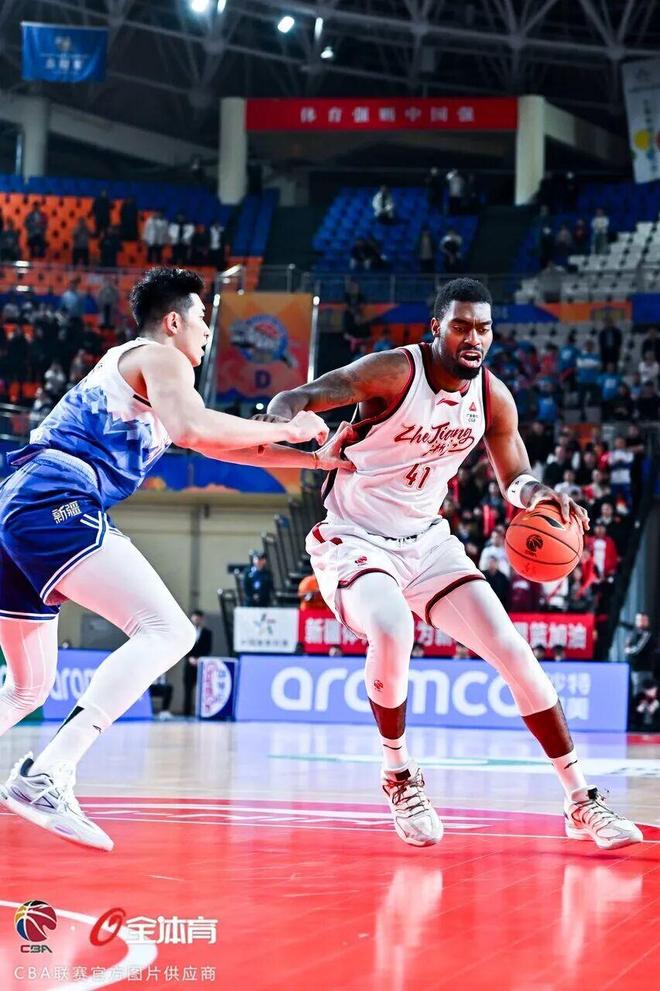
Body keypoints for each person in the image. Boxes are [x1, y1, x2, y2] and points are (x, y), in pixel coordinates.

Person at [261, 276, 641, 850]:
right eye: (461, 326)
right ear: (437, 327)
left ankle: (580, 801)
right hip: (355, 536)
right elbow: (305, 395)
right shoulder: (393, 372)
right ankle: (398, 773)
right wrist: (286, 419)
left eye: (483, 328)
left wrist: (539, 495)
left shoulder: (492, 396)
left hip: (429, 543)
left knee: (515, 653)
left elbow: (515, 477)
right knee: (393, 627)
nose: (474, 338)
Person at [0, 267, 353, 851]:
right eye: (203, 319)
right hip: (54, 497)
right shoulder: (162, 358)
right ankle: (50, 773)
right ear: (173, 321)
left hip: (20, 503)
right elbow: (193, 429)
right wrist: (293, 430)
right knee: (167, 631)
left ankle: (46, 774)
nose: (208, 332)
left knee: (28, 688)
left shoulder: (149, 375)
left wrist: (316, 461)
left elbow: (218, 445)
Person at [182, 609, 213, 717]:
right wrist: (189, 658)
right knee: (188, 689)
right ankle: (186, 713)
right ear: (192, 618)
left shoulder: (207, 633)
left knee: (203, 688)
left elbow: (208, 649)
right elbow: (183, 647)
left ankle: (201, 711)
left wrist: (200, 659)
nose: (197, 620)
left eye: (199, 618)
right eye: (195, 617)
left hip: (201, 665)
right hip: (189, 664)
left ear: (202, 619)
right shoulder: (186, 632)